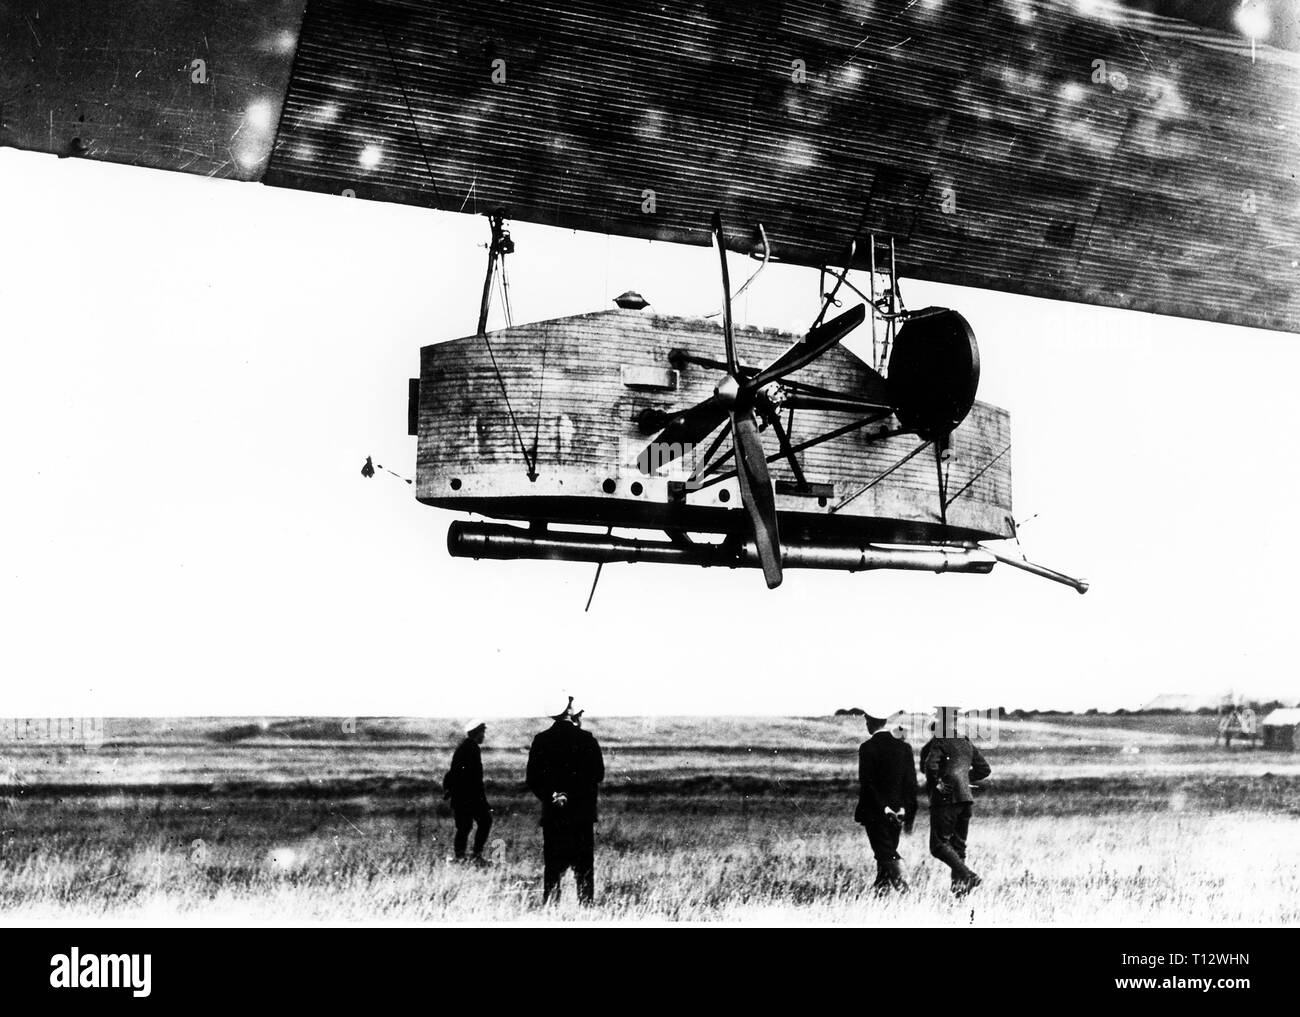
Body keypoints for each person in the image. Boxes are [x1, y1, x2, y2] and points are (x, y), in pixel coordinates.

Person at [525, 697, 605, 904]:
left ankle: (551, 906)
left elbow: (533, 778)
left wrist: (553, 795)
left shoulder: (541, 740)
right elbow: (597, 774)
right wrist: (575, 796)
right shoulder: (586, 739)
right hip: (581, 814)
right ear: (569, 710)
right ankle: (586, 906)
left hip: (554, 814)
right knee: (584, 867)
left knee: (552, 866)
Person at [920, 707, 991, 896]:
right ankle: (959, 891)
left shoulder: (939, 740)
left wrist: (938, 783)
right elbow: (984, 769)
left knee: (938, 845)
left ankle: (969, 876)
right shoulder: (965, 741)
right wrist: (964, 780)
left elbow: (929, 765)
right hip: (966, 799)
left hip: (946, 799)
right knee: (958, 846)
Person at [854, 709, 918, 893]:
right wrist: (904, 809)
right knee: (885, 856)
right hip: (899, 813)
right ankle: (880, 894)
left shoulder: (867, 748)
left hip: (875, 812)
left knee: (885, 853)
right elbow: (910, 783)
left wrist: (884, 808)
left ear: (869, 722)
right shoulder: (903, 747)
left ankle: (906, 892)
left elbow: (867, 784)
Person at [443, 720, 492, 864]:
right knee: (482, 822)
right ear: (478, 733)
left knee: (465, 826)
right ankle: (473, 856)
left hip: (462, 796)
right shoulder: (471, 749)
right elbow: (473, 778)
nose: (484, 735)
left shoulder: (465, 747)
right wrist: (482, 799)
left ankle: (462, 857)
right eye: (483, 732)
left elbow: (452, 773)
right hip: (468, 796)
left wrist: (449, 790)